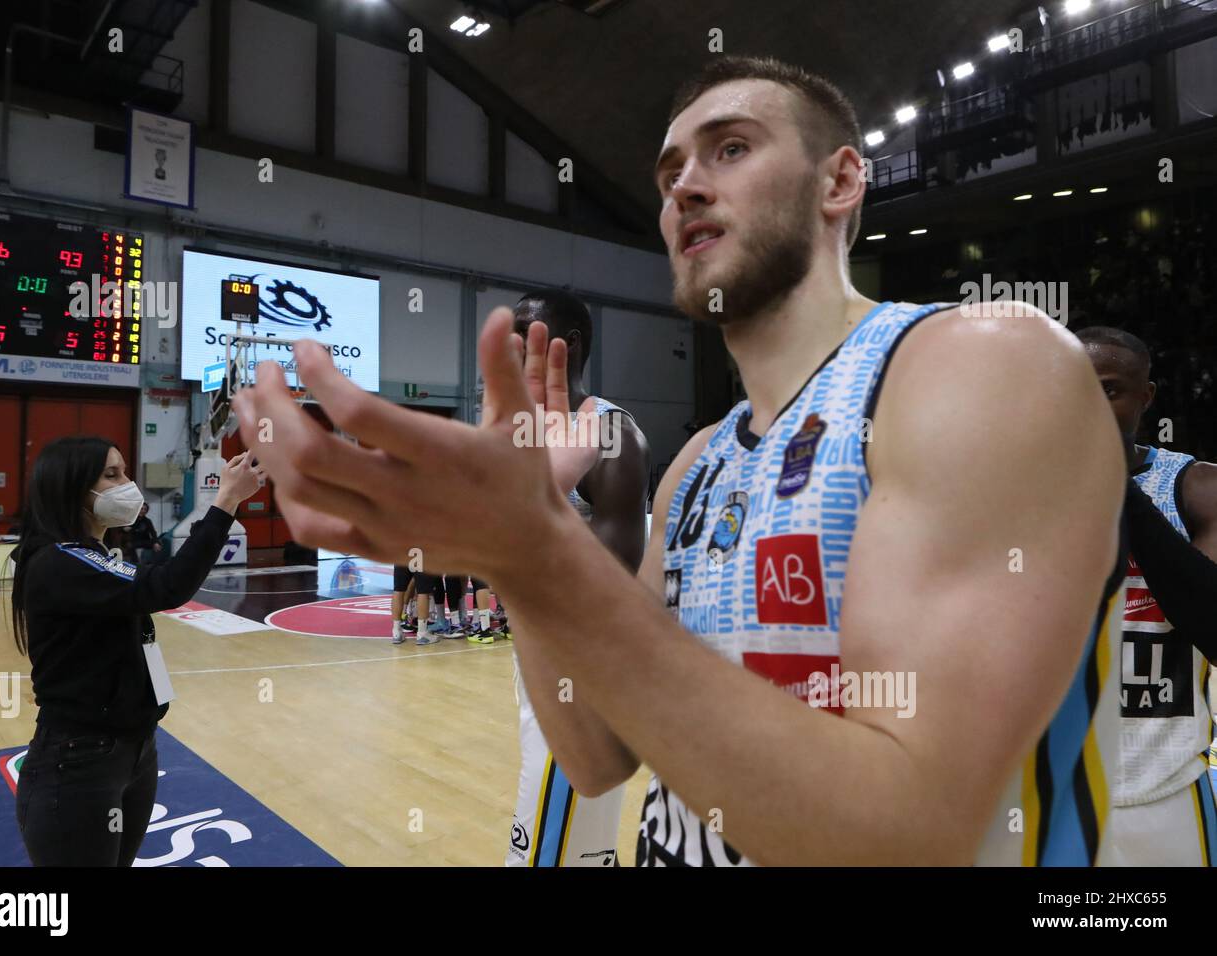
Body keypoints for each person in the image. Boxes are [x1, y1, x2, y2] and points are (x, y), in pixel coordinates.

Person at [233, 55, 1126, 865]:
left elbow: (906, 834)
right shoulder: (700, 460)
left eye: (730, 148)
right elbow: (591, 753)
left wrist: (533, 548)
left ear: (842, 179)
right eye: (669, 175)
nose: (686, 187)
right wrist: (528, 533)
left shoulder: (982, 364)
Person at [9, 437, 263, 866]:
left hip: (135, 749)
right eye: (112, 475)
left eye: (124, 471)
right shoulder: (59, 561)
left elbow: (160, 576)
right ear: (73, 488)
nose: (128, 483)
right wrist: (225, 503)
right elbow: (167, 586)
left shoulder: (95, 554)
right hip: (80, 761)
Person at [504, 291, 651, 866]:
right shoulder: (525, 433)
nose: (515, 342)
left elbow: (604, 585)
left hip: (583, 676)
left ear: (574, 344)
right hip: (539, 665)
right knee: (583, 853)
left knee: (545, 850)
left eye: (529, 329)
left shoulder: (612, 437)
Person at [1077, 326, 1217, 865]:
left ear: (1145, 397)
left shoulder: (1197, 489)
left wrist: (1115, 484)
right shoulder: (1016, 490)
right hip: (1058, 790)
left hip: (1166, 788)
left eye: (1109, 389)